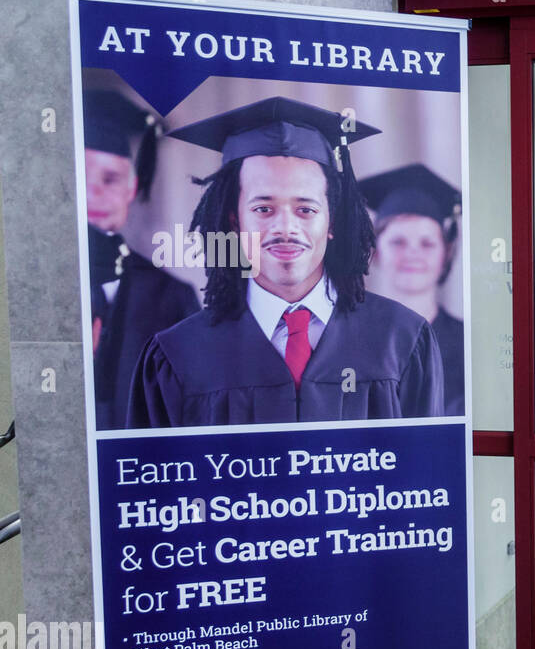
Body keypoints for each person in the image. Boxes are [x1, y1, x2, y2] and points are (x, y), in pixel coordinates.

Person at [127, 96, 443, 427]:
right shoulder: (178, 356)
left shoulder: (402, 340)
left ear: (332, 221)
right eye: (263, 209)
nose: (286, 228)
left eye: (306, 210)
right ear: (234, 220)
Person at [82, 89, 200, 429]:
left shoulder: (174, 301)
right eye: (80, 178)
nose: (94, 193)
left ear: (132, 188)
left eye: (111, 178)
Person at [358, 163, 465, 416]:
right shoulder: (347, 338)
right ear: (375, 252)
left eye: (427, 243)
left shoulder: (467, 343)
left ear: (446, 253)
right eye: (398, 242)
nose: (412, 254)